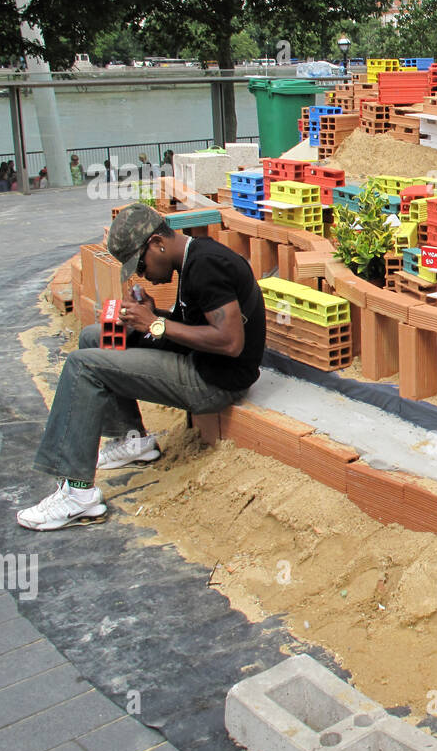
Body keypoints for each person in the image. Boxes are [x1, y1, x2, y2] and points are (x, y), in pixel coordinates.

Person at [17, 204, 268, 530]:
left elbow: (230, 342)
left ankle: (77, 495)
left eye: (139, 264)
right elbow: (197, 322)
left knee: (83, 367)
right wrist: (154, 315)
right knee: (97, 337)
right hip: (201, 360)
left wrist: (154, 325)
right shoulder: (192, 257)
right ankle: (131, 440)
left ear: (156, 244)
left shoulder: (207, 266)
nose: (141, 274)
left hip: (214, 380)